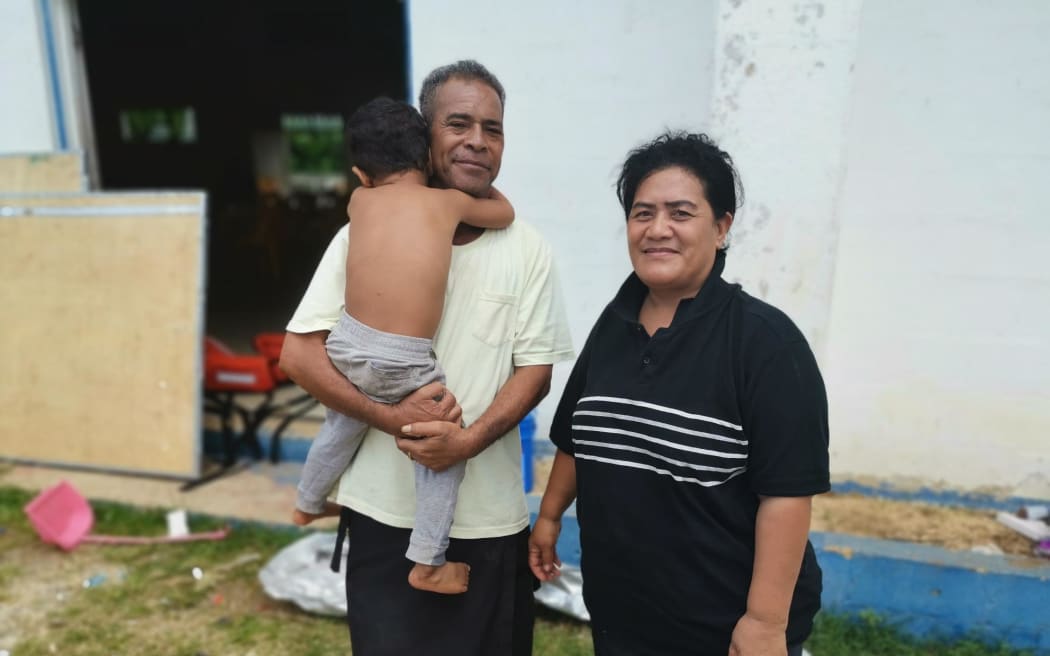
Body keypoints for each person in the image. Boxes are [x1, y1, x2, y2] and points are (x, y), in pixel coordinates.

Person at [279, 60, 574, 655]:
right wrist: (395, 419)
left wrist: (466, 441)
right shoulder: (358, 234)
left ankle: (308, 497)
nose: (477, 141)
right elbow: (300, 356)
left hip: (491, 523)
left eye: (492, 129)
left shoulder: (528, 251)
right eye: (458, 123)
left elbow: (536, 371)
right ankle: (319, 504)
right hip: (380, 519)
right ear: (424, 136)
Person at [528, 132, 830, 656]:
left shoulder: (765, 343)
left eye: (681, 213)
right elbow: (577, 435)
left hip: (722, 626)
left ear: (722, 226)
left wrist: (763, 622)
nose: (657, 229)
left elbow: (785, 496)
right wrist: (549, 517)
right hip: (622, 614)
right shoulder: (613, 325)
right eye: (642, 213)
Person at [291, 96, 516, 596]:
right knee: (442, 440)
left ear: (360, 174)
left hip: (346, 345)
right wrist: (477, 186)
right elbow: (503, 213)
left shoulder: (358, 203)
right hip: (403, 360)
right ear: (428, 158)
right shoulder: (447, 203)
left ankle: (307, 500)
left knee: (342, 421)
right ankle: (429, 560)